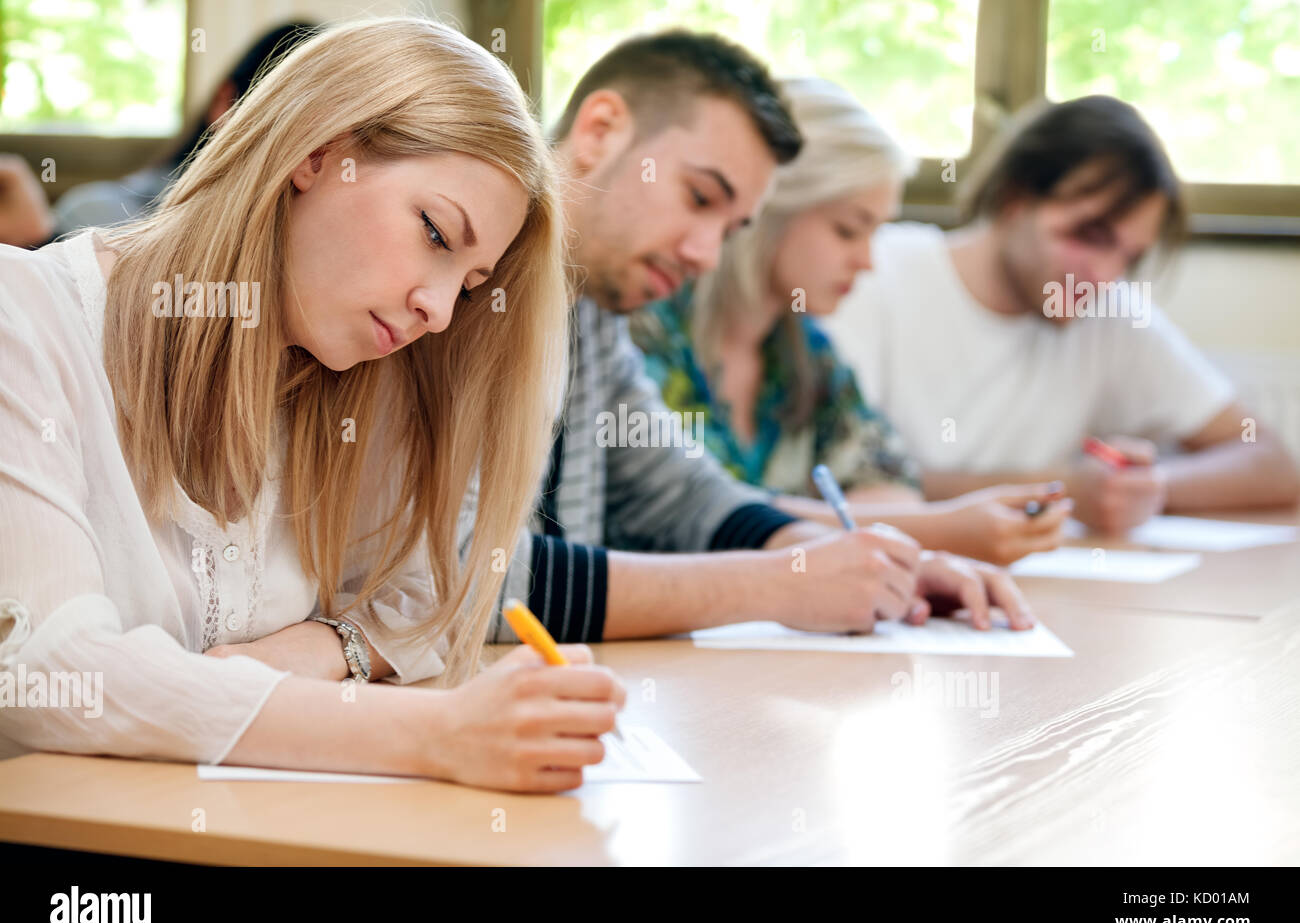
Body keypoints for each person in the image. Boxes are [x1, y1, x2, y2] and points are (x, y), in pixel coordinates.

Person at [0, 17, 627, 795]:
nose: (438, 310)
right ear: (319, 152)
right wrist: (441, 733)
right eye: (435, 232)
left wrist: (320, 650)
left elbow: (428, 584)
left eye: (469, 285)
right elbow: (45, 670)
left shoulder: (358, 367)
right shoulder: (21, 317)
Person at [471, 31, 1038, 646]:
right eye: (699, 197)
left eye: (731, 225)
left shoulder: (593, 308)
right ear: (600, 131)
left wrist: (873, 565)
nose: (707, 254)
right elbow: (454, 579)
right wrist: (777, 586)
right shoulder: (462, 287)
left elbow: (681, 495)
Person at [631, 78, 1072, 566]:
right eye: (848, 230)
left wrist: (912, 536)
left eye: (875, 233)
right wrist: (938, 531)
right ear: (768, 208)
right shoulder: (645, 332)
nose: (867, 262)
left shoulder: (803, 350)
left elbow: (882, 473)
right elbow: (695, 512)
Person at [826, 95, 1300, 534]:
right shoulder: (872, 275)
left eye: (1129, 256)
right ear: (1015, 199)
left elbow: (1272, 463)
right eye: (1090, 236)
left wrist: (1150, 487)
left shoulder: (1111, 312)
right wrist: (1062, 489)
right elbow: (825, 483)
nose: (1104, 275)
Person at [0, 22, 317, 247]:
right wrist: (43, 241)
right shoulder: (99, 216)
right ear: (224, 103)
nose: (303, 161)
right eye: (285, 124)